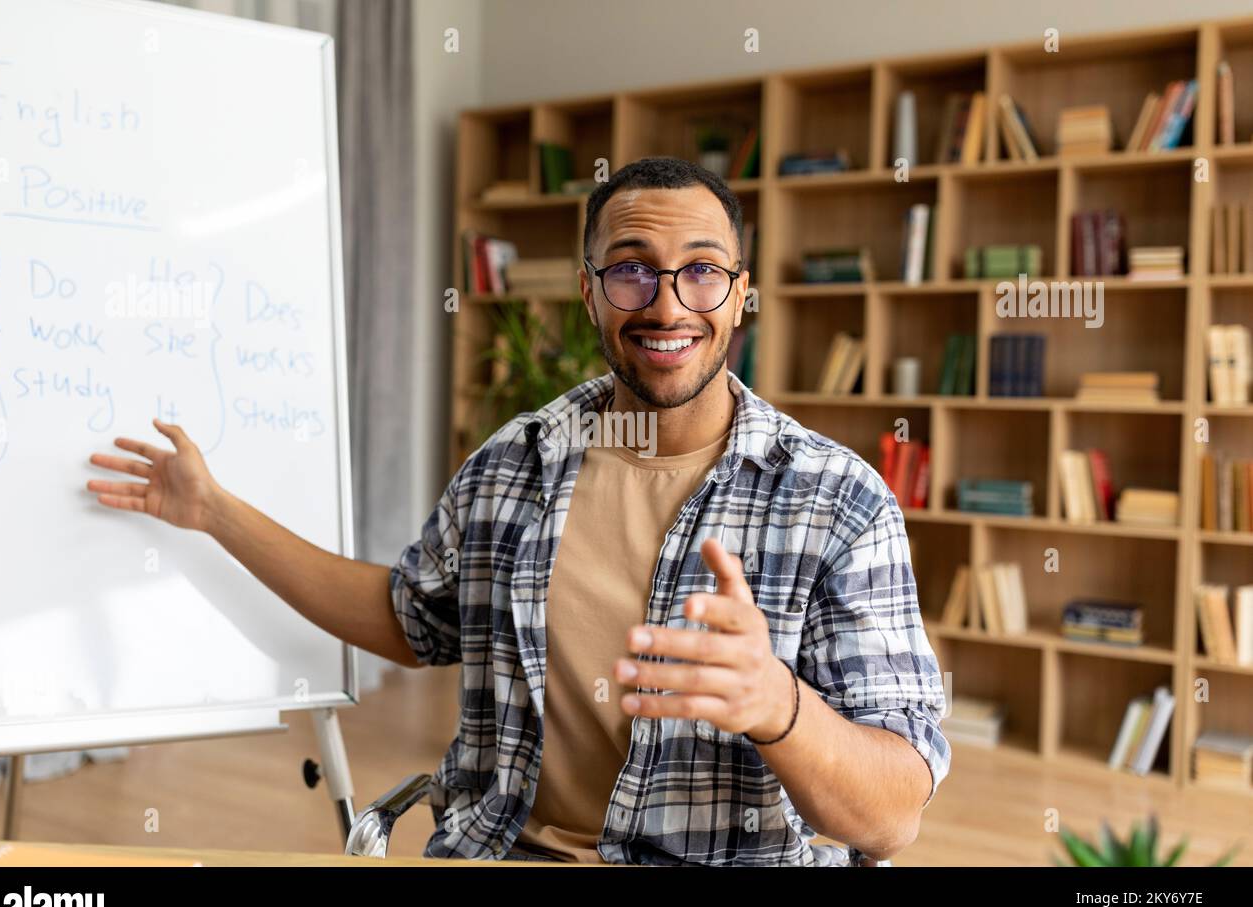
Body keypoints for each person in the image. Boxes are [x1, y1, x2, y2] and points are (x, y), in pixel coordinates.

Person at [87, 156, 950, 866]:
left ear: (738, 293)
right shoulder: (514, 461)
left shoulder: (838, 501)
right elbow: (408, 619)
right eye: (631, 269)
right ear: (589, 290)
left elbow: (891, 817)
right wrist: (213, 511)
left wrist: (777, 704)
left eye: (701, 270)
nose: (666, 302)